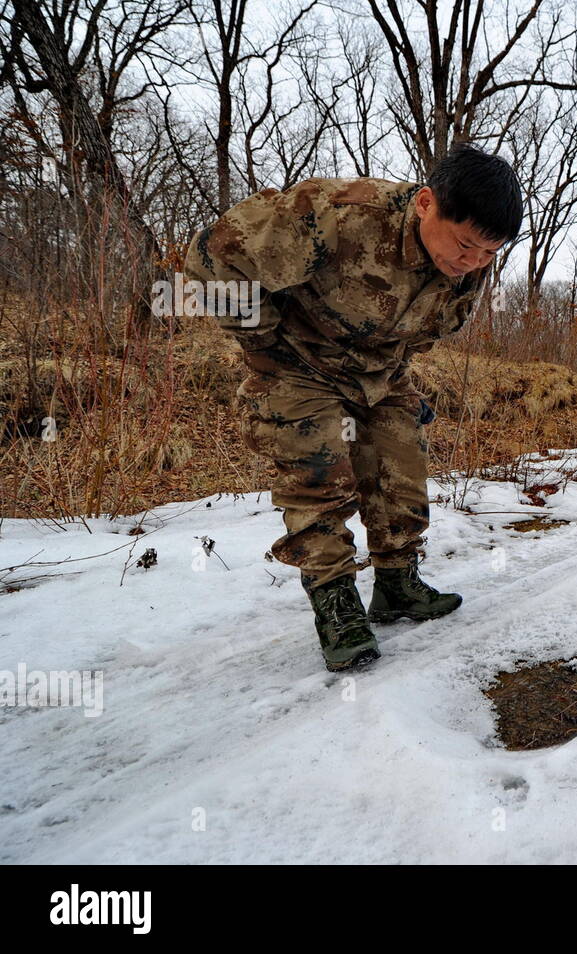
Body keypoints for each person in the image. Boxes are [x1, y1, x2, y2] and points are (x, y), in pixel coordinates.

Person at [184, 144, 523, 672]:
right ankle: (336, 606)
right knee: (319, 478)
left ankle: (397, 585)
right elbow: (215, 255)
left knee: (402, 469)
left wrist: (401, 384)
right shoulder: (340, 214)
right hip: (300, 364)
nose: (472, 263)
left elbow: (425, 330)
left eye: (487, 254)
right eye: (465, 246)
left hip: (379, 374)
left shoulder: (467, 267)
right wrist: (264, 342)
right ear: (426, 204)